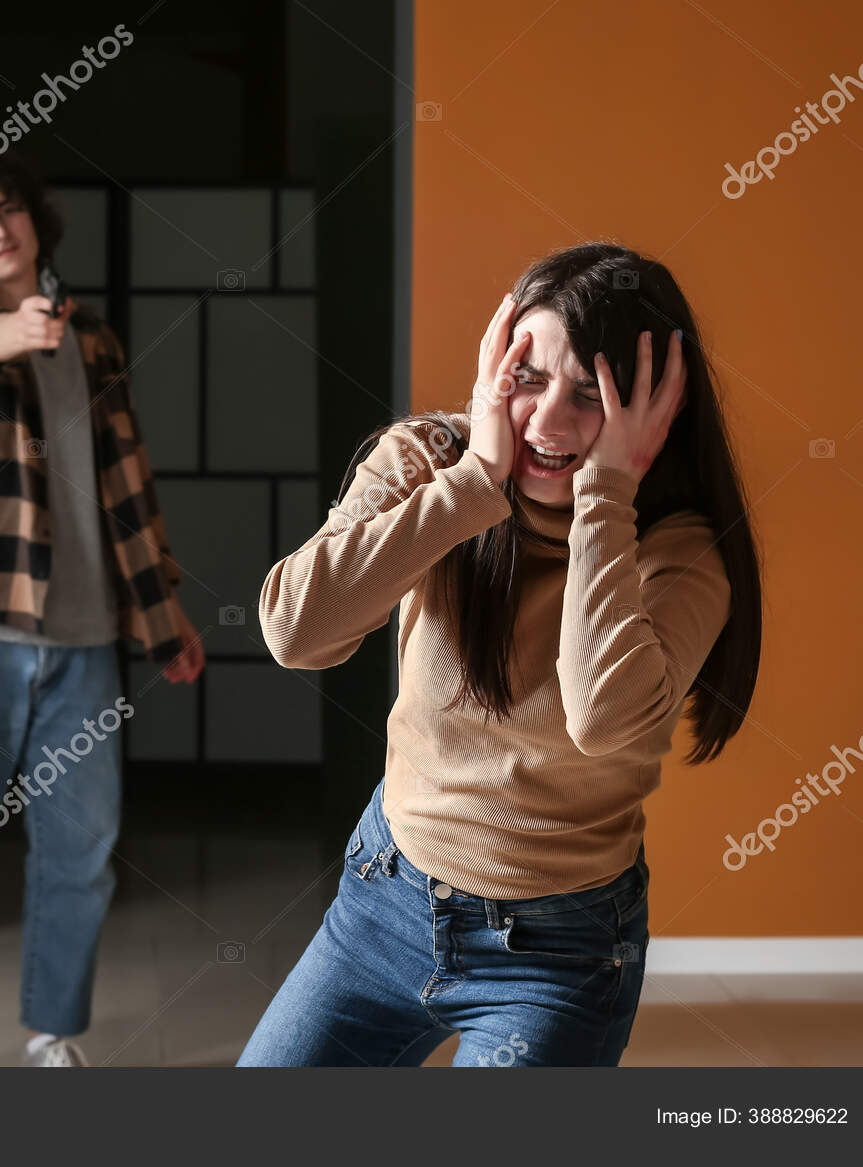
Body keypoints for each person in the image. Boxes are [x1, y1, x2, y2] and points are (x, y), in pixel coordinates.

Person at [237, 242, 762, 1066]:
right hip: (386, 899)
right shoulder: (429, 464)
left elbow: (604, 719)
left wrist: (606, 496)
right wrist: (476, 476)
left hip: (556, 952)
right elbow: (296, 632)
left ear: (656, 409)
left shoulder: (681, 549)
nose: (549, 423)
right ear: (495, 372)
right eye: (529, 379)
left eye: (592, 395)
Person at [0, 148, 204, 1068]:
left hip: (85, 641)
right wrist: (10, 331)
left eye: (7, 209)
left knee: (80, 856)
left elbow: (130, 497)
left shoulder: (96, 342)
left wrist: (165, 623)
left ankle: (52, 1033)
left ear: (34, 216)